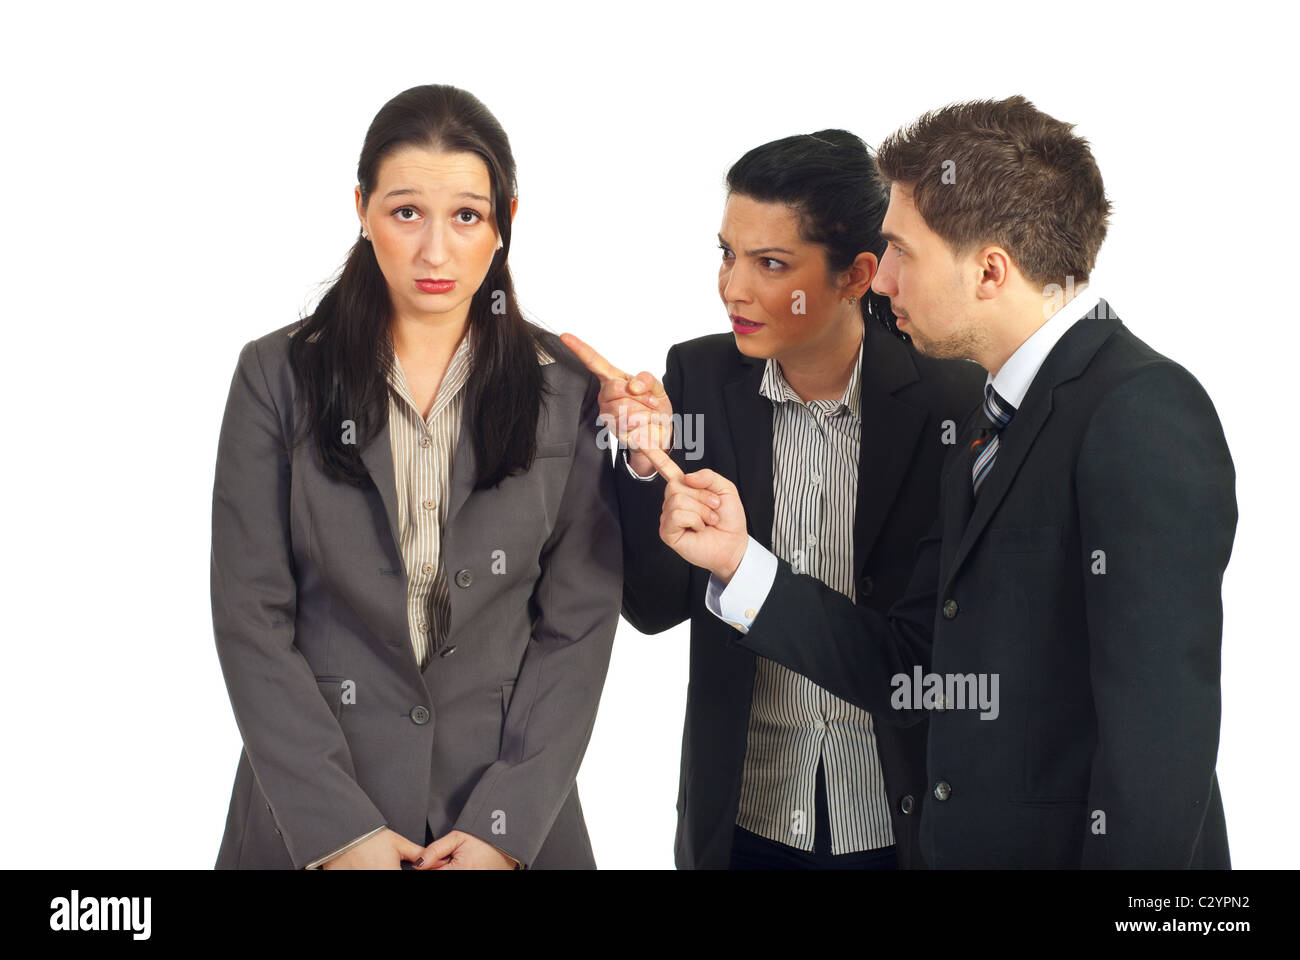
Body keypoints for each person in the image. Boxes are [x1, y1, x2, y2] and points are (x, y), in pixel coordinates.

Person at [642, 96, 1236, 868]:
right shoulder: (994, 417)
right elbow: (912, 668)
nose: (879, 280)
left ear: (989, 270)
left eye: (899, 252)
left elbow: (1159, 757)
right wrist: (736, 561)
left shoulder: (1139, 411)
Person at [210, 84, 620, 870]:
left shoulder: (565, 385)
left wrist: (505, 827)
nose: (436, 251)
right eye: (406, 213)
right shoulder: (276, 375)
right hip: (312, 821)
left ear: (504, 222)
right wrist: (338, 832)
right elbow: (250, 616)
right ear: (362, 209)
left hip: (508, 826)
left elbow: (578, 627)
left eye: (466, 215)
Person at [563, 130, 983, 869]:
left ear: (858, 274)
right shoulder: (697, 377)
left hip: (899, 819)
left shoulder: (949, 401)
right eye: (727, 253)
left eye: (771, 264)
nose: (734, 288)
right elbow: (657, 609)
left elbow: (943, 649)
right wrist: (640, 461)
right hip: (746, 821)